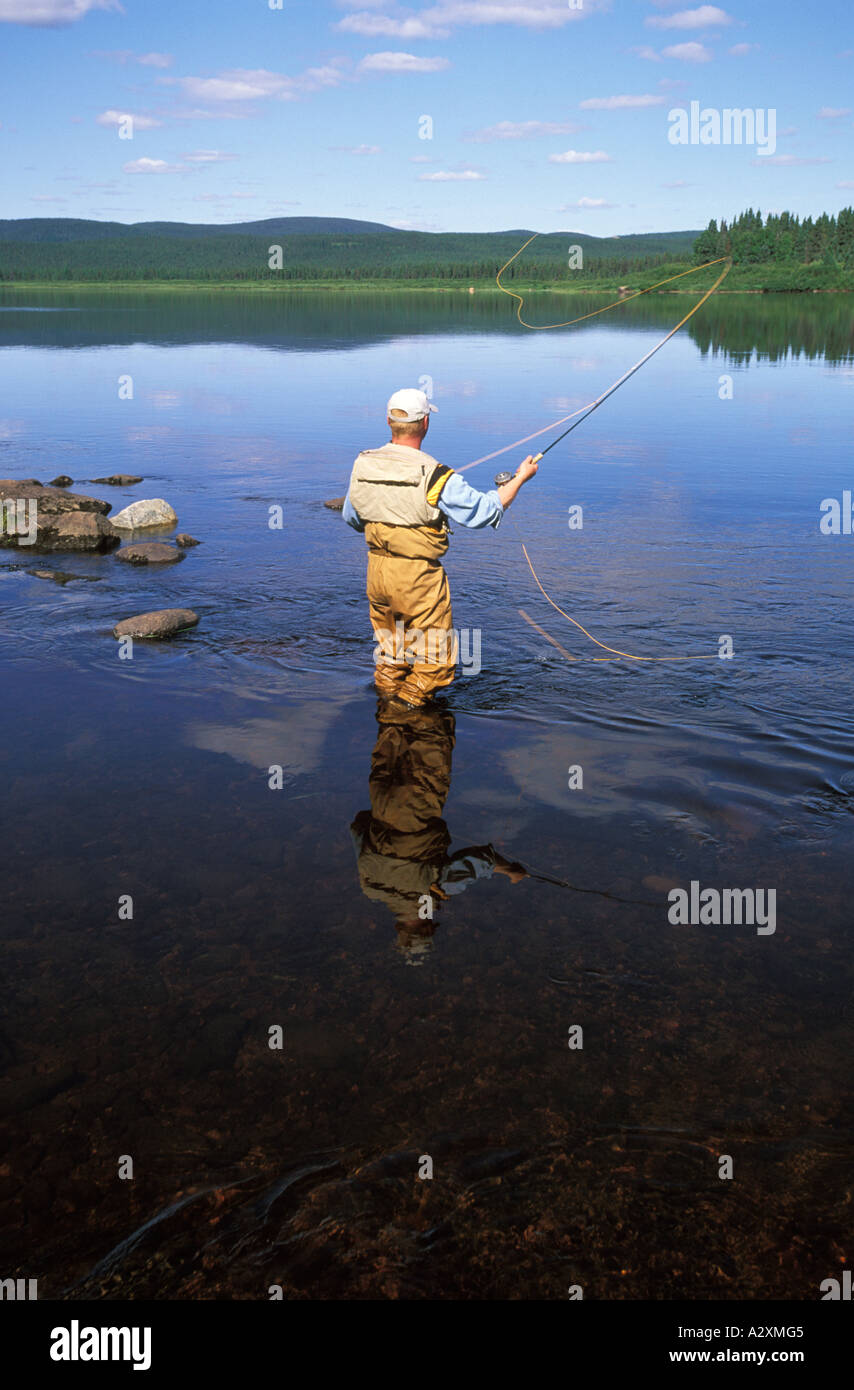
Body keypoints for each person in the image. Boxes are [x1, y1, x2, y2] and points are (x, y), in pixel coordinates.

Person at [343, 387, 538, 707]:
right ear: (425, 424)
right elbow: (484, 513)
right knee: (435, 664)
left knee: (393, 654)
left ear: (388, 422)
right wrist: (519, 479)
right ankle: (405, 713)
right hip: (417, 577)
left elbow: (353, 517)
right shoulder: (435, 475)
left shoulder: (363, 465)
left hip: (377, 572)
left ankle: (387, 721)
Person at [350, 702, 529, 964]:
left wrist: (510, 871)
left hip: (419, 803)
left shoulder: (433, 891)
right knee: (393, 722)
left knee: (431, 728)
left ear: (426, 927)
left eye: (431, 925)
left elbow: (480, 861)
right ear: (400, 927)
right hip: (380, 797)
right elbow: (357, 826)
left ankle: (426, 676)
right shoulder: (370, 887)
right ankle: (398, 678)